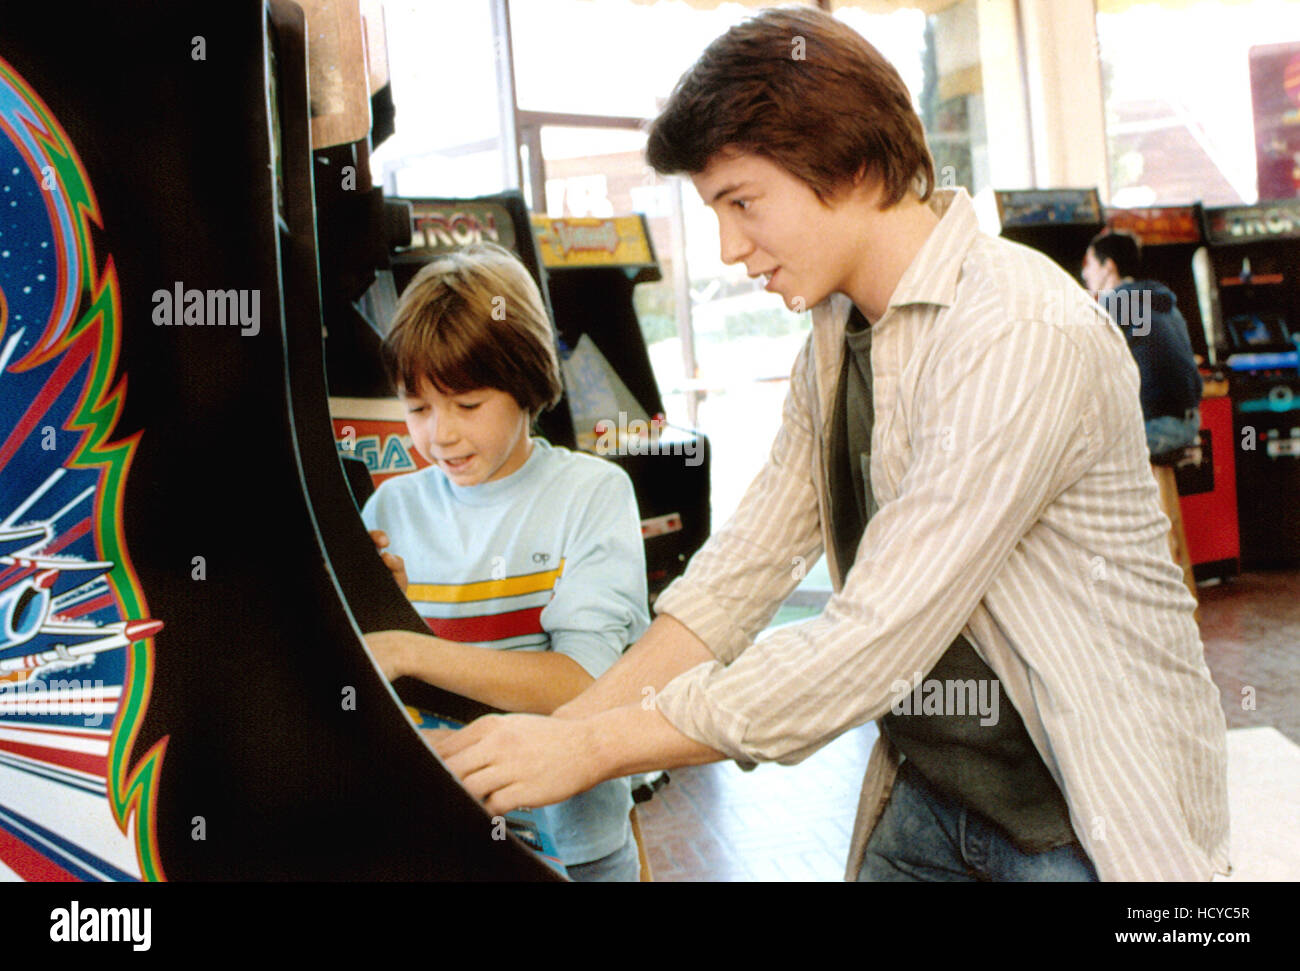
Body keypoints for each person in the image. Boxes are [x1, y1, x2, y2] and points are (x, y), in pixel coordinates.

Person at [436, 7, 1230, 882]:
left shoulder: (1016, 330)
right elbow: (743, 569)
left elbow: (868, 642)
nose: (732, 248)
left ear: (849, 164)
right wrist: (564, 734)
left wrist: (595, 749)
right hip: (932, 789)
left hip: (1080, 814)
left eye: (742, 203)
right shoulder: (836, 330)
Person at [360, 241, 650, 882]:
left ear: (524, 381)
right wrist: (382, 604)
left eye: (467, 405)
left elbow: (586, 683)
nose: (440, 433)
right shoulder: (389, 509)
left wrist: (411, 647)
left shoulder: (592, 493)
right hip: (440, 835)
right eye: (417, 408)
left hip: (575, 847)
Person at [1082, 229, 1204, 457]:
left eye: (1089, 264)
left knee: (1071, 456)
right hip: (1190, 423)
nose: (1084, 273)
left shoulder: (1114, 305)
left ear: (1108, 267)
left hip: (1155, 430)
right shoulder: (1158, 300)